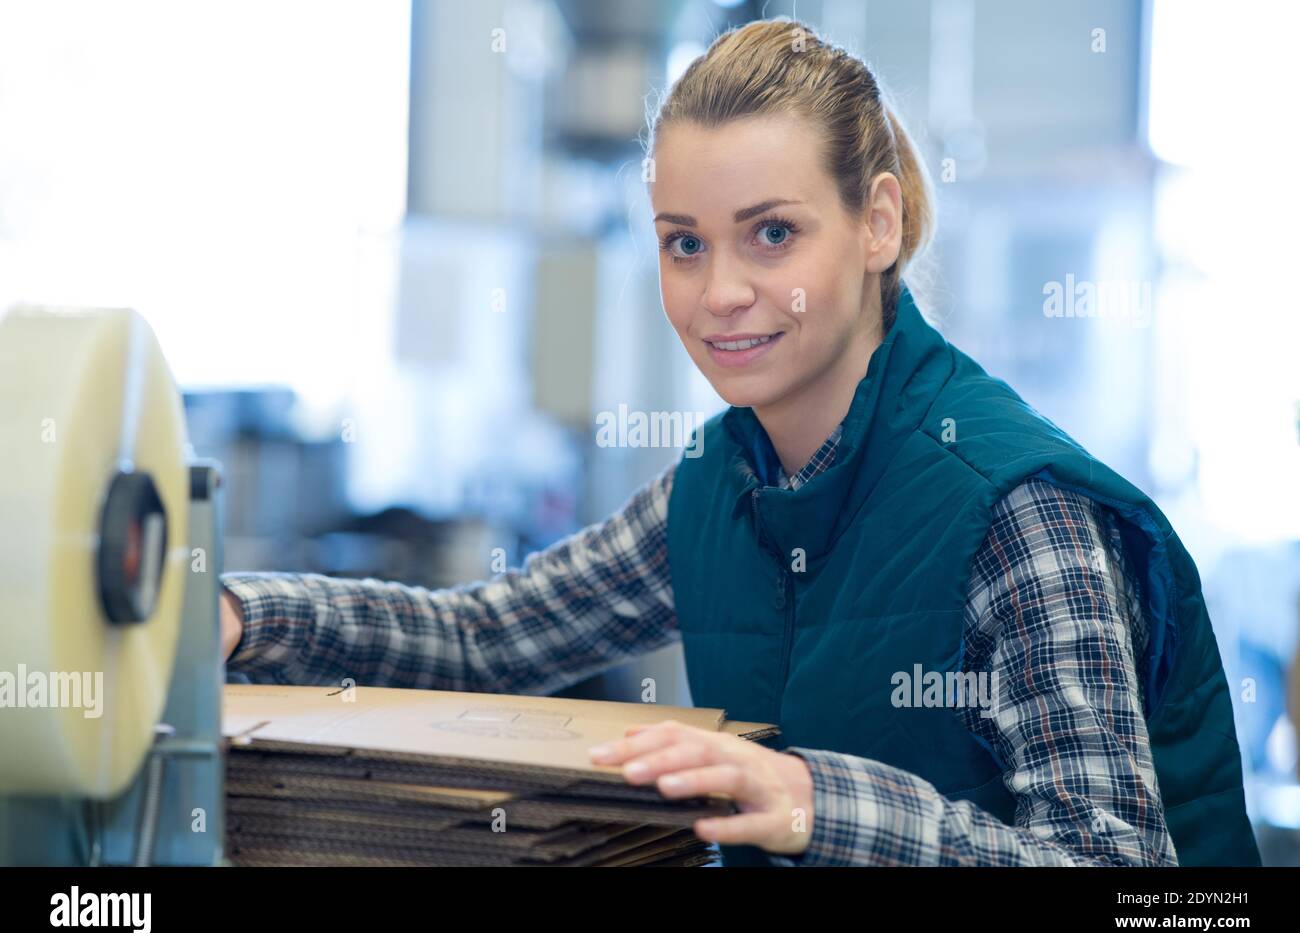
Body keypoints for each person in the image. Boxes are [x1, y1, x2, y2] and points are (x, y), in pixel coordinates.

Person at [219, 17, 1259, 867]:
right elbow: (484, 639)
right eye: (684, 243)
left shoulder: (1011, 507)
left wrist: (815, 798)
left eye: (772, 233)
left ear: (878, 224)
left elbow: (1122, 873)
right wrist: (238, 614)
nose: (718, 295)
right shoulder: (723, 484)